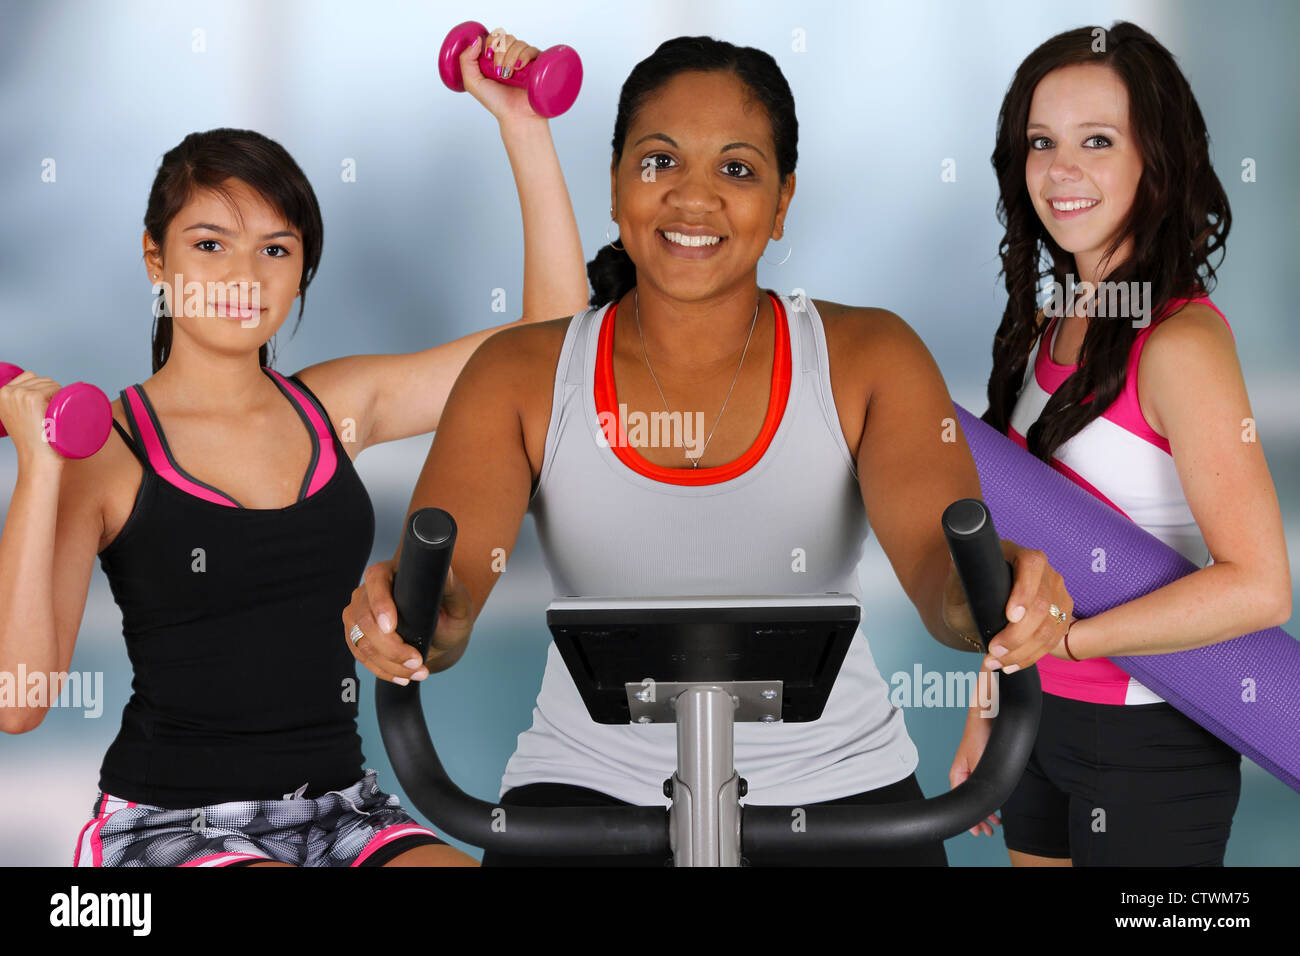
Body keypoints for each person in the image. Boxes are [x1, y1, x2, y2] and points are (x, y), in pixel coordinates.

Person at [343, 35, 1075, 867]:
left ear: (783, 199)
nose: (693, 199)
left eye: (736, 169)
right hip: (590, 796)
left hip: (835, 794)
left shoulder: (869, 355)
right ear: (616, 186)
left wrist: (998, 598)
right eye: (659, 162)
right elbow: (450, 606)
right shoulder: (520, 374)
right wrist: (405, 619)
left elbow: (941, 581)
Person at [0, 28, 587, 867]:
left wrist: (525, 127)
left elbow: (547, 352)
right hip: (170, 827)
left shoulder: (334, 408)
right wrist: (38, 466)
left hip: (340, 812)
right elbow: (17, 704)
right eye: (211, 245)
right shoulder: (107, 452)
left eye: (275, 249)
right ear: (154, 261)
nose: (246, 274)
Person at [948, 21, 1291, 867]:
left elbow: (1259, 588)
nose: (1061, 170)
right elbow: (1014, 543)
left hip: (1149, 742)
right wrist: (986, 700)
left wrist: (1071, 642)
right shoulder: (1041, 328)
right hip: (1033, 721)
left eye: (1097, 141)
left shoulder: (1181, 347)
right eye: (1041, 141)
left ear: (1156, 161)